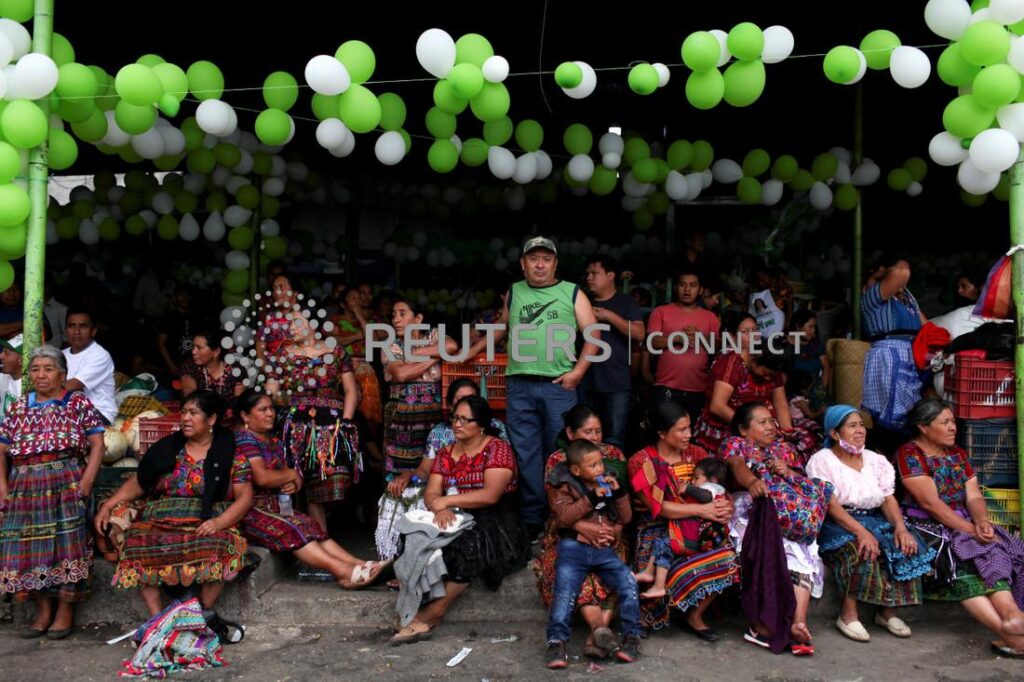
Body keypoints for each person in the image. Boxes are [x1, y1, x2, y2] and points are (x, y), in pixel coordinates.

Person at [466, 236, 599, 538]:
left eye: (546, 259)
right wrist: (475, 349)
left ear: (555, 264)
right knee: (526, 455)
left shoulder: (573, 293)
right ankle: (532, 521)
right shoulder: (515, 292)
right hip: (520, 385)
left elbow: (594, 337)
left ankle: (561, 516)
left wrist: (577, 372)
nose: (540, 264)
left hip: (558, 386)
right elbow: (503, 325)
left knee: (559, 453)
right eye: (533, 259)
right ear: (523, 265)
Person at [99, 391, 253, 623]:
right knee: (134, 543)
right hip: (161, 517)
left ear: (211, 419)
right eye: (183, 412)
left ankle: (200, 613)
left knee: (224, 544)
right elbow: (139, 482)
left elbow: (244, 497)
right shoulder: (168, 449)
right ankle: (157, 619)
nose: (185, 418)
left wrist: (218, 523)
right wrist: (107, 506)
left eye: (193, 413)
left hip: (206, 518)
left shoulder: (230, 453)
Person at [390, 396, 530, 645]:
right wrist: (438, 507)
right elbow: (433, 491)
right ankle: (412, 599)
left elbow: (490, 495)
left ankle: (434, 613)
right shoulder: (445, 453)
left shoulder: (497, 449)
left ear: (482, 425)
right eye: (455, 418)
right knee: (417, 538)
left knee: (470, 545)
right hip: (456, 513)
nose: (457, 424)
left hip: (496, 517)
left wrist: (446, 503)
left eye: (465, 420)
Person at [897, 399, 1024, 656]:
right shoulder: (910, 454)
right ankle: (1009, 633)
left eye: (953, 421)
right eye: (944, 422)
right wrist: (968, 529)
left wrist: (982, 522)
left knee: (995, 548)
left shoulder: (957, 453)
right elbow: (929, 504)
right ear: (923, 427)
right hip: (926, 524)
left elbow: (974, 496)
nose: (953, 427)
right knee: (959, 561)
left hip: (963, 521)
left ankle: (1012, 614)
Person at [0, 346, 105, 639]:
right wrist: (3, 488)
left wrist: (86, 481)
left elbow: (98, 444)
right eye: (35, 369)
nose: (41, 375)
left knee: (66, 544)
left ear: (62, 374)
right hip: (25, 486)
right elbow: (1, 449)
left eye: (48, 368)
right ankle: (43, 610)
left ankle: (64, 610)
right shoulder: (19, 406)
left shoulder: (76, 402)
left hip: (65, 481)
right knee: (29, 548)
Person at [806, 405, 934, 642]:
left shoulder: (876, 460)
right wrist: (861, 532)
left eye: (861, 425)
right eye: (852, 426)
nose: (860, 431)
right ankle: (848, 614)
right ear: (835, 434)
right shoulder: (821, 460)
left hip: (873, 518)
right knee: (859, 547)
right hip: (838, 522)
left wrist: (900, 527)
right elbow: (831, 506)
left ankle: (887, 611)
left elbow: (888, 499)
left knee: (903, 543)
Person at [234, 390, 382, 588]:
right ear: (245, 416)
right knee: (294, 529)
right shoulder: (244, 440)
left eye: (271, 408)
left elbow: (292, 478)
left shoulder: (274, 441)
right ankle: (343, 572)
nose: (270, 414)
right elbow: (263, 478)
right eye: (263, 410)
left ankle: (361, 564)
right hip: (251, 512)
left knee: (310, 525)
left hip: (275, 507)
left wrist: (292, 481)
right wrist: (291, 476)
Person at [720, 403, 833, 655]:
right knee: (772, 548)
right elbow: (736, 466)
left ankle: (798, 622)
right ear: (743, 428)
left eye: (771, 421)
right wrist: (752, 483)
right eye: (762, 422)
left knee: (803, 550)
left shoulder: (784, 449)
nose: (771, 426)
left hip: (788, 514)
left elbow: (802, 483)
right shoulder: (735, 444)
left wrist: (788, 470)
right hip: (753, 508)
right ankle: (768, 622)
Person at [628, 401, 738, 638]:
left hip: (696, 527)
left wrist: (722, 507)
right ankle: (649, 617)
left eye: (689, 427)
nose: (689, 434)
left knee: (730, 557)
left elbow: (717, 489)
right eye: (681, 429)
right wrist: (702, 511)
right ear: (662, 433)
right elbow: (659, 508)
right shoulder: (642, 461)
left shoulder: (697, 454)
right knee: (652, 566)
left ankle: (695, 615)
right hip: (656, 526)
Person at [376, 377, 508, 563]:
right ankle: (393, 560)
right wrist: (410, 476)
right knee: (405, 498)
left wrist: (444, 502)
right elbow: (426, 474)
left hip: (480, 505)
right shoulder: (442, 440)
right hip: (444, 496)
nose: (465, 405)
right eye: (459, 401)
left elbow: (492, 491)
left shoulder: (495, 440)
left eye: (471, 399)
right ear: (450, 405)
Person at [534, 406, 628, 660]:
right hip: (568, 529)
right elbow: (558, 508)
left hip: (608, 528)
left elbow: (622, 500)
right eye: (588, 431)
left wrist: (614, 530)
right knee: (572, 572)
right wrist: (585, 529)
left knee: (617, 570)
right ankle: (599, 629)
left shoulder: (614, 455)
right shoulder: (558, 460)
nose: (595, 437)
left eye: (598, 431)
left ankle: (594, 638)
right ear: (570, 432)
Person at [544, 440, 642, 669]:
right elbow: (565, 517)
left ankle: (632, 638)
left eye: (600, 463)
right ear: (577, 470)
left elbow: (626, 518)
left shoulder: (608, 480)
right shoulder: (563, 483)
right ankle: (556, 643)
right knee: (564, 592)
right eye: (594, 465)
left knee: (628, 582)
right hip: (573, 548)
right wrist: (591, 499)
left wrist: (618, 493)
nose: (600, 469)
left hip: (603, 550)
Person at [694, 313, 819, 461]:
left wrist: (786, 433)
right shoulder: (732, 363)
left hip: (757, 427)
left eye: (755, 330)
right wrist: (750, 428)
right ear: (756, 358)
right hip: (729, 428)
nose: (768, 378)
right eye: (766, 374)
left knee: (806, 440)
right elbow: (717, 406)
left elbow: (780, 402)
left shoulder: (773, 361)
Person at [381, 296, 453, 506]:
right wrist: (434, 356)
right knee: (398, 471)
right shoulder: (390, 345)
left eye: (402, 314)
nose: (396, 319)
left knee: (433, 464)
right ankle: (394, 520)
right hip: (400, 419)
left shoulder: (434, 335)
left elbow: (451, 345)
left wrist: (412, 354)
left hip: (432, 416)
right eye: (394, 314)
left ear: (419, 318)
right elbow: (401, 376)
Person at [633, 457, 729, 600]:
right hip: (690, 534)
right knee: (661, 542)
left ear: (713, 481)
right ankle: (648, 572)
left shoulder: (714, 489)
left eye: (696, 477)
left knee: (665, 546)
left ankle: (659, 586)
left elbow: (706, 497)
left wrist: (688, 488)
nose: (693, 481)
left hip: (692, 537)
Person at [861, 255, 926, 453]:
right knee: (889, 419)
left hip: (910, 356)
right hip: (887, 357)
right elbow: (903, 270)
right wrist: (880, 273)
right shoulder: (872, 296)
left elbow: (927, 326)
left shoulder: (906, 298)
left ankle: (902, 462)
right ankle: (886, 459)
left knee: (909, 416)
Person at [645, 266, 720, 431]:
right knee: (663, 433)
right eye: (682, 284)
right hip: (667, 387)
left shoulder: (710, 317)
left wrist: (699, 335)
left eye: (692, 285)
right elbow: (651, 343)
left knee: (691, 436)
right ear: (676, 287)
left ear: (700, 290)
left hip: (698, 389)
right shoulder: (661, 312)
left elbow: (717, 347)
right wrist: (677, 338)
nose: (687, 289)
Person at [581, 256, 645, 449]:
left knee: (614, 440)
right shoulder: (582, 302)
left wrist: (608, 316)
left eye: (594, 273)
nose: (589, 278)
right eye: (588, 274)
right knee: (584, 439)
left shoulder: (626, 303)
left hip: (616, 383)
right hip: (585, 381)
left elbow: (639, 333)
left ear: (611, 276)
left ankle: (612, 479)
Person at [333, 287, 382, 429]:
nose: (357, 301)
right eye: (352, 298)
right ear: (343, 304)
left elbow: (373, 340)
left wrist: (359, 315)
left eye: (358, 298)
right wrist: (358, 336)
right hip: (344, 369)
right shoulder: (335, 321)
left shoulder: (369, 321)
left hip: (365, 369)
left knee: (368, 412)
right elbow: (333, 341)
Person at [62, 308, 117, 424]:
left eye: (83, 326)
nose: (76, 331)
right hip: (70, 410)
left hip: (99, 413)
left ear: (93, 331)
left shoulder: (100, 355)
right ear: (66, 330)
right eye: (71, 326)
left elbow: (73, 385)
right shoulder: (62, 355)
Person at [180, 330, 242, 402]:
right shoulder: (189, 367)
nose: (193, 352)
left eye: (199, 348)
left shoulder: (235, 370)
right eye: (193, 347)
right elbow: (190, 395)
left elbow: (239, 403)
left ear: (216, 352)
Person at [787, 309, 831, 408]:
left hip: (814, 390)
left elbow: (826, 367)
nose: (813, 330)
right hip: (793, 394)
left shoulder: (816, 345)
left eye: (814, 327)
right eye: (810, 327)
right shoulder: (786, 345)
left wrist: (821, 390)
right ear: (798, 327)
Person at [0, 332, 23, 418]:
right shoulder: (4, 377)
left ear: (21, 360)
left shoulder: (30, 389)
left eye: (7, 353)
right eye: (3, 351)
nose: (1, 356)